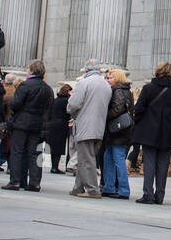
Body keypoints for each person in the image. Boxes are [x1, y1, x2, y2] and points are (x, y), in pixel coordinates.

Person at [133, 62, 171, 204]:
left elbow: (139, 108)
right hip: (167, 130)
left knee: (149, 163)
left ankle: (148, 193)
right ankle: (160, 195)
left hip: (149, 130)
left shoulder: (148, 88)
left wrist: (140, 122)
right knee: (163, 164)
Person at [4, 59, 53, 192]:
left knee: (17, 152)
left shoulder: (25, 85)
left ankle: (15, 181)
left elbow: (15, 104)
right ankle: (34, 183)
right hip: (37, 124)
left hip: (22, 123)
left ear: (31, 70)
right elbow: (49, 108)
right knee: (35, 154)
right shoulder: (47, 89)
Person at [67, 60, 111, 198]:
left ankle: (93, 190)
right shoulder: (106, 85)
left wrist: (71, 111)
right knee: (85, 157)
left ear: (86, 69)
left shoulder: (84, 83)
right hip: (99, 127)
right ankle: (78, 187)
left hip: (85, 125)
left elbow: (73, 105)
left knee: (87, 159)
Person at [101, 69, 134, 199]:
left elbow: (118, 108)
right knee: (108, 156)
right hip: (119, 130)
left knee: (118, 158)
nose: (107, 80)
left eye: (110, 78)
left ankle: (124, 189)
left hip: (118, 130)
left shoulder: (118, 91)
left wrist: (105, 116)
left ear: (117, 78)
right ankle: (109, 186)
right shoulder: (125, 90)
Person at [47, 83, 72, 173]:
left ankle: (53, 166)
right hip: (61, 124)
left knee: (54, 146)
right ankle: (55, 167)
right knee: (59, 146)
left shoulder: (56, 100)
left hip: (52, 124)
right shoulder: (67, 101)